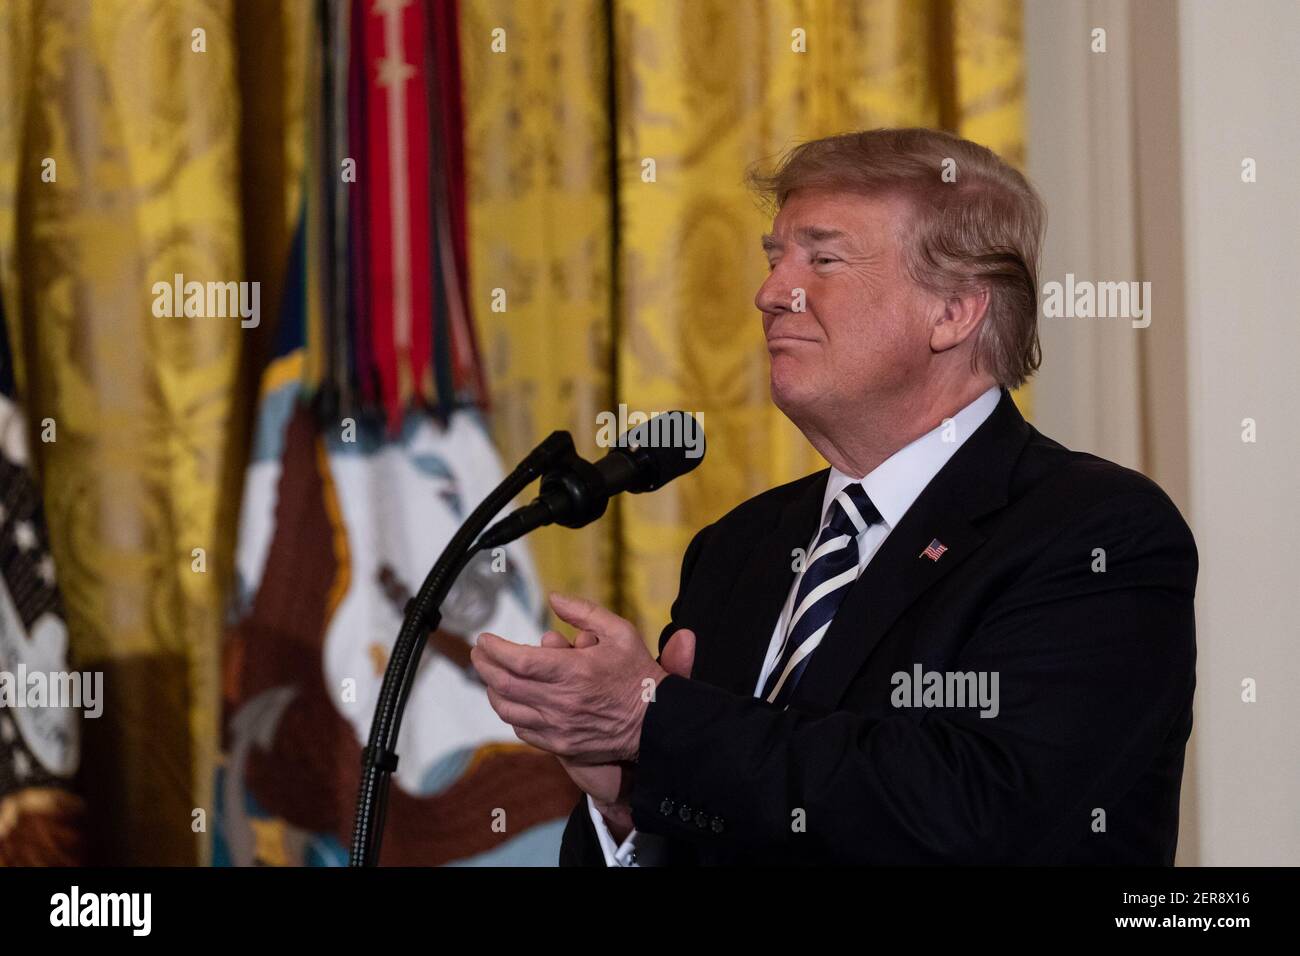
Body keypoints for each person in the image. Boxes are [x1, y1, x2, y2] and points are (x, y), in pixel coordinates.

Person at [470, 128, 1197, 865]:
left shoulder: (1095, 533)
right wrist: (628, 805)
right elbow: (725, 800)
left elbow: (975, 813)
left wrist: (653, 719)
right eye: (774, 260)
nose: (770, 294)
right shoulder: (740, 546)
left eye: (822, 259)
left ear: (953, 310)